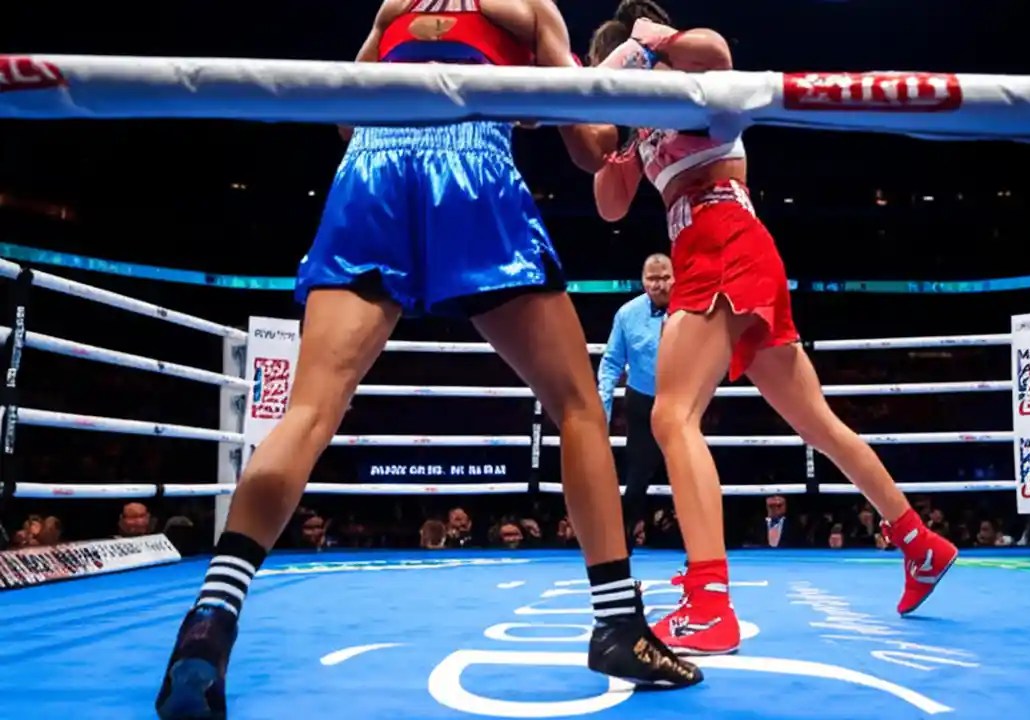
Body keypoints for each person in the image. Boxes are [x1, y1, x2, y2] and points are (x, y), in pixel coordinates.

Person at [154, 2, 700, 716]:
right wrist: (631, 63)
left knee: (311, 411)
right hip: (470, 169)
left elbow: (347, 116)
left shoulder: (394, 5)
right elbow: (592, 143)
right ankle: (619, 624)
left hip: (369, 171)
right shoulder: (531, 7)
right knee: (575, 406)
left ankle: (209, 622)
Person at [588, 0, 960, 656]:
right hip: (724, 246)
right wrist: (617, 131)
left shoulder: (695, 78)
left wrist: (655, 41)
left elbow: (718, 50)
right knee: (816, 422)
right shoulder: (644, 121)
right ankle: (918, 542)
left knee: (672, 418)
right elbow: (611, 206)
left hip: (722, 237)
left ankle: (708, 603)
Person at [597, 253, 673, 543]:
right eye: (653, 278)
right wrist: (602, 407)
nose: (660, 284)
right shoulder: (628, 314)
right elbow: (612, 361)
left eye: (665, 277)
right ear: (643, 281)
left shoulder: (691, 310)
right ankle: (622, 543)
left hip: (681, 400)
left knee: (686, 470)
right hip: (642, 400)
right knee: (637, 473)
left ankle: (700, 547)